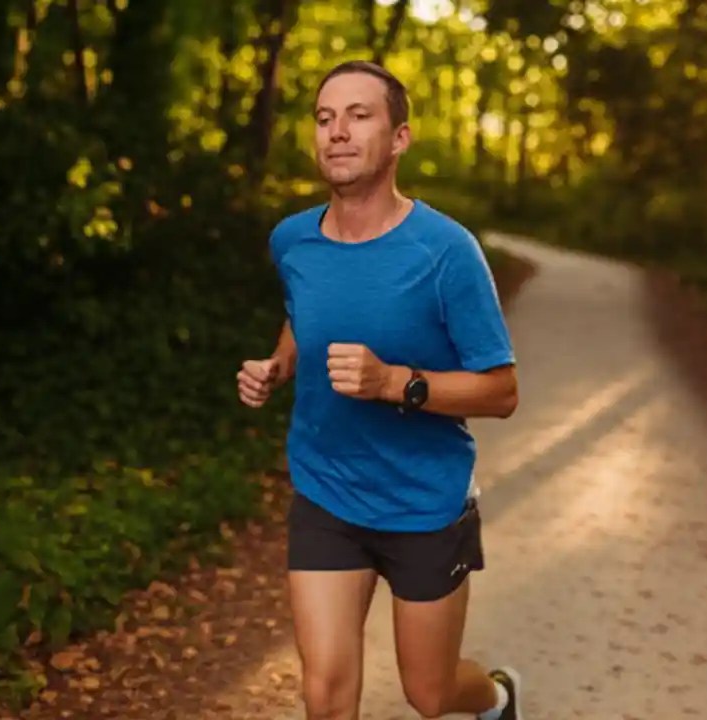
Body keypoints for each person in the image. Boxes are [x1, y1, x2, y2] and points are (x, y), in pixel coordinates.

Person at [236, 59, 522, 720]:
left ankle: (498, 699)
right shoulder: (293, 240)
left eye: (359, 115)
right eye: (325, 117)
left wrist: (395, 382)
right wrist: (279, 364)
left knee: (431, 693)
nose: (336, 131)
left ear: (399, 138)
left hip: (424, 502)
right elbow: (304, 314)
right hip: (325, 491)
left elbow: (502, 391)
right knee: (326, 696)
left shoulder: (446, 253)